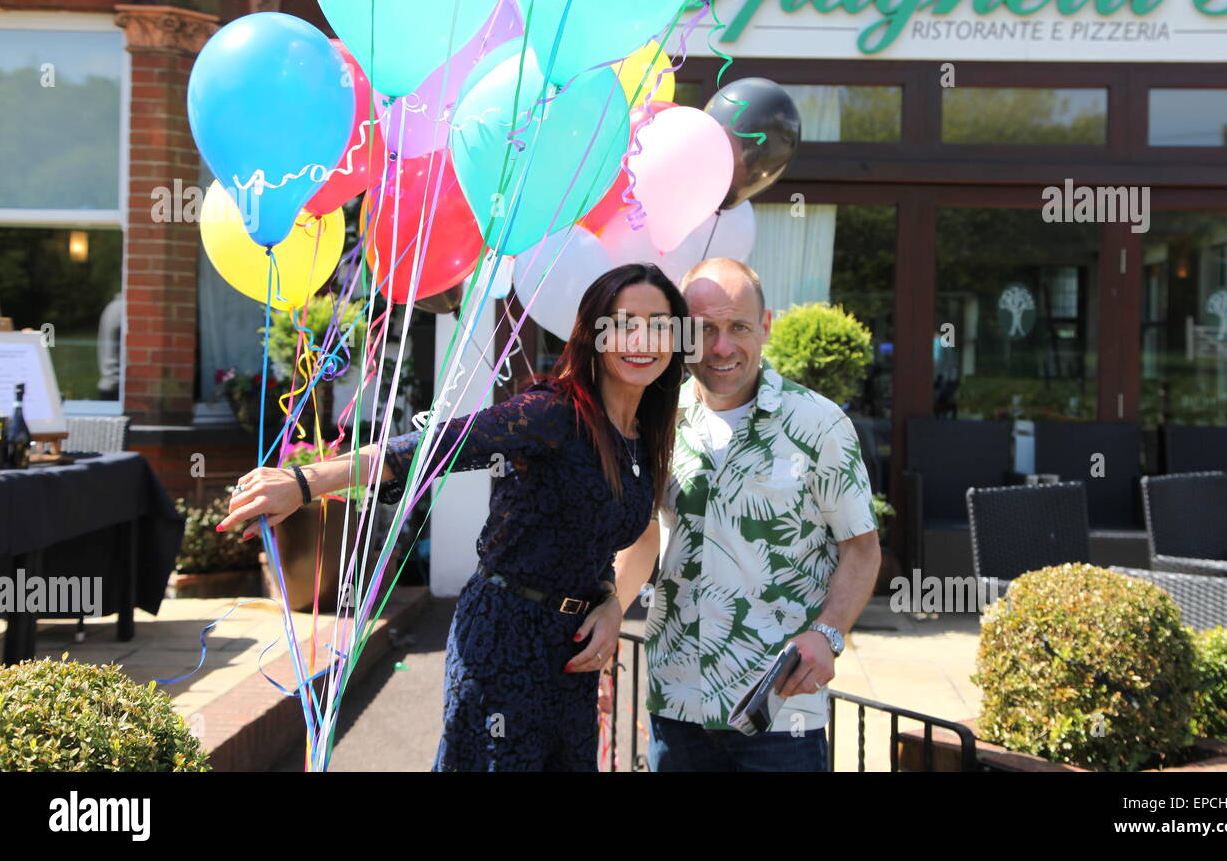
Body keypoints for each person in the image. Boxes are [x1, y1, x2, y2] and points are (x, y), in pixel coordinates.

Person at [218, 263, 691, 771]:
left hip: (572, 650)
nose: (642, 338)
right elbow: (430, 448)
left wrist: (613, 603)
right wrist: (304, 482)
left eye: (660, 323)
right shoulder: (552, 414)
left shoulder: (644, 434)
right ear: (593, 333)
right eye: (623, 321)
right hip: (505, 637)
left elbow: (638, 534)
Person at [611, 258, 881, 771]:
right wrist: (607, 619)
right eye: (704, 329)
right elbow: (642, 538)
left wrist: (828, 634)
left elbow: (861, 547)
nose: (721, 347)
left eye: (737, 326)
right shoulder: (656, 420)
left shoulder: (819, 425)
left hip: (779, 714)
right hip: (677, 706)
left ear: (766, 326)